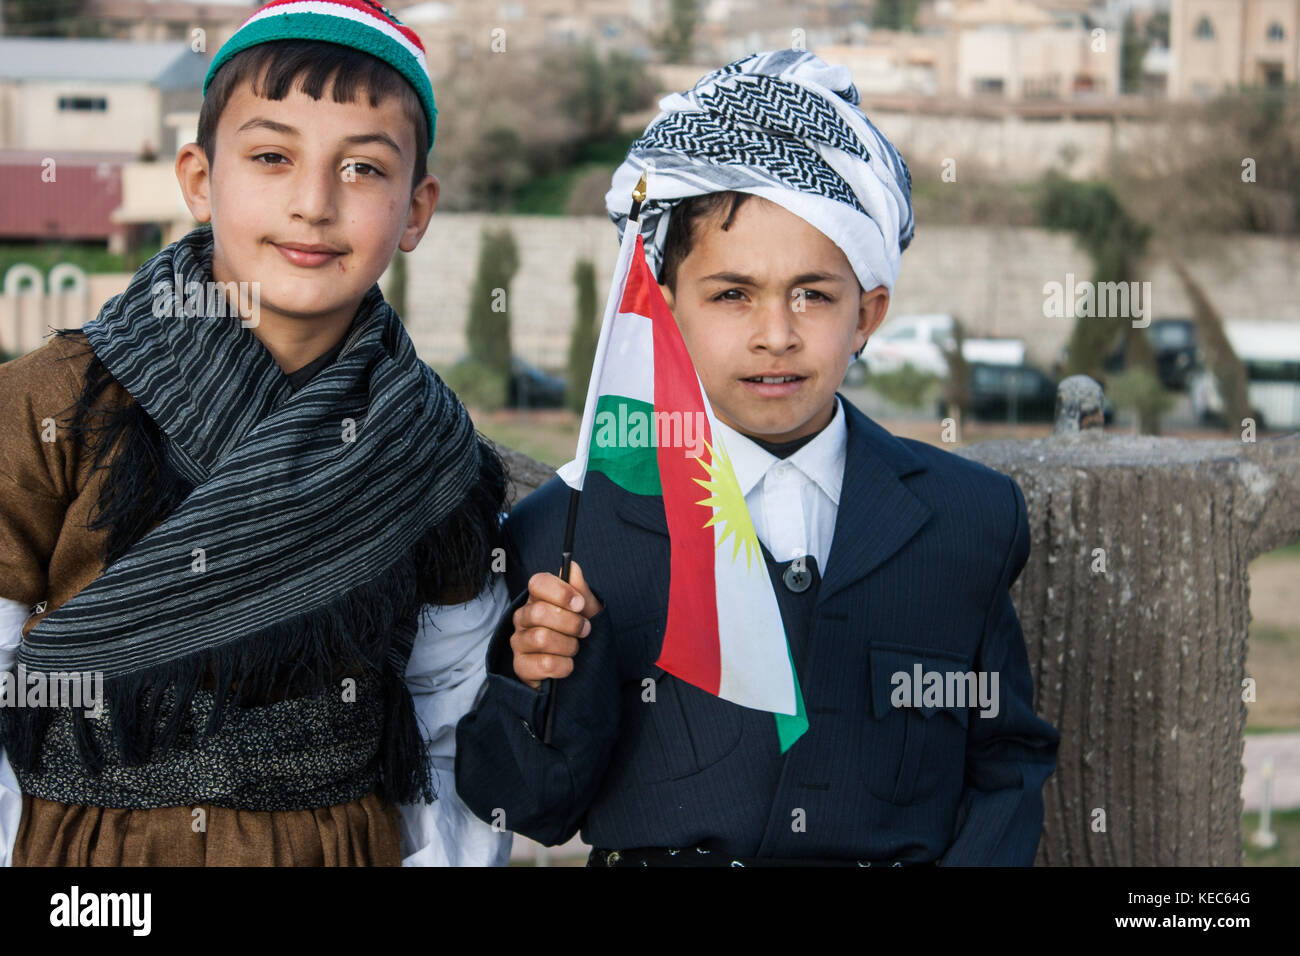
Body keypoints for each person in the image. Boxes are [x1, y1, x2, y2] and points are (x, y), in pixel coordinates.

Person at [455, 49, 1060, 866]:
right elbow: (524, 806)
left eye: (812, 294)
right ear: (666, 308)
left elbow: (1004, 765)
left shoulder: (966, 520)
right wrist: (536, 680)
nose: (776, 333)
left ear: (868, 313)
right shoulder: (569, 529)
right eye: (732, 294)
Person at [0, 0, 511, 866]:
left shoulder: (431, 449)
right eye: (271, 157)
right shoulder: (57, 403)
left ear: (417, 207)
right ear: (199, 178)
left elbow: (448, 705)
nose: (313, 204)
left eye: (362, 169)